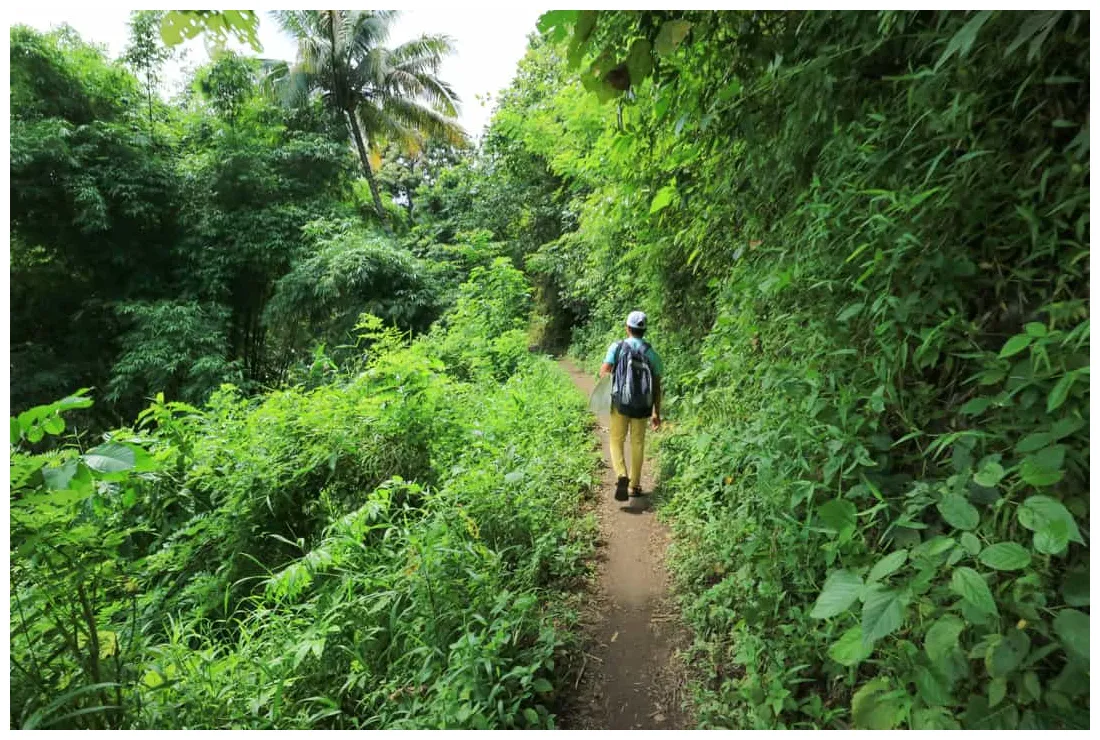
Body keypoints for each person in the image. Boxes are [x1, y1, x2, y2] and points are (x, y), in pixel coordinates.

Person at [600, 310, 662, 501]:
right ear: (644, 330)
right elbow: (657, 387)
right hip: (643, 406)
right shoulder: (651, 354)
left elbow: (604, 372)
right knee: (638, 443)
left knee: (616, 440)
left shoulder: (617, 347)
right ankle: (634, 485)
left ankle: (621, 475)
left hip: (620, 403)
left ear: (627, 328)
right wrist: (656, 412)